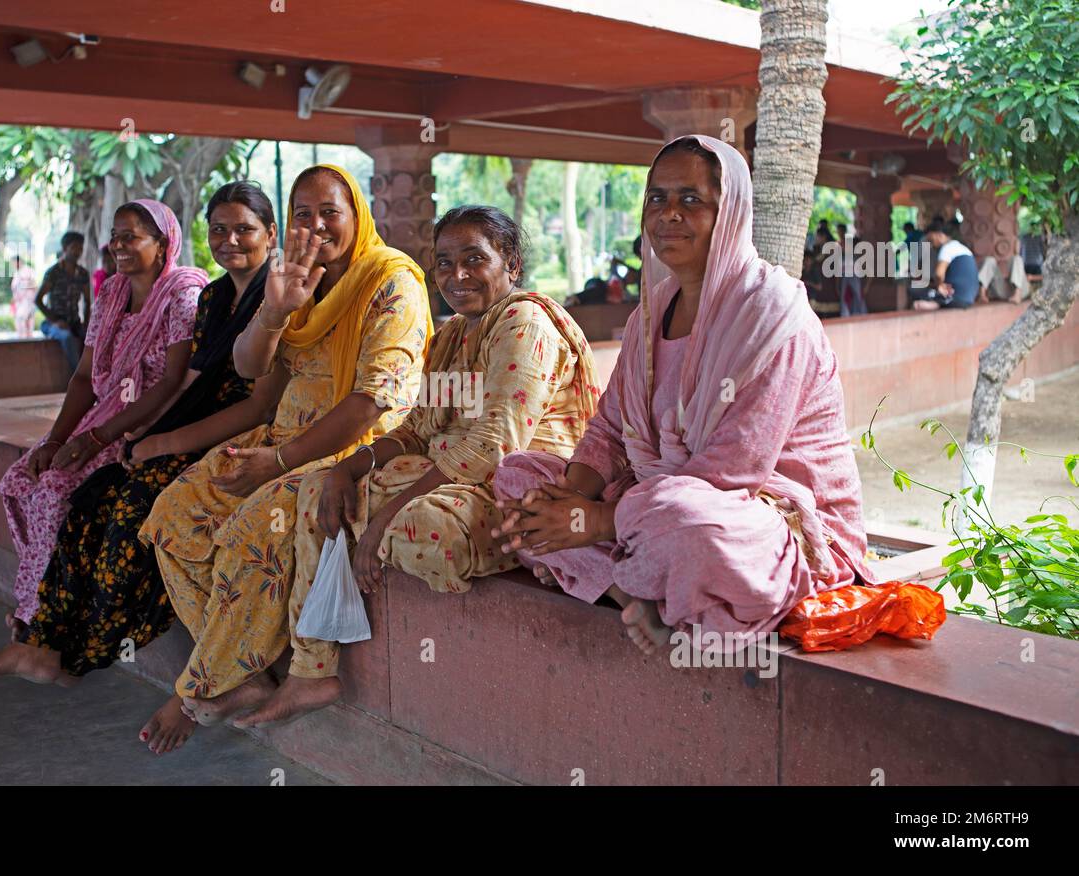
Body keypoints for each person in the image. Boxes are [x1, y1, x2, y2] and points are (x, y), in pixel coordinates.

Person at [492, 135, 873, 656]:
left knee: (686, 521)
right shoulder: (650, 314)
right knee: (517, 477)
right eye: (656, 198)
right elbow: (608, 429)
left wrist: (594, 521)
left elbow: (732, 473)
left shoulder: (773, 317)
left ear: (730, 212)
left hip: (767, 522)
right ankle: (639, 593)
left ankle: (632, 579)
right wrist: (570, 500)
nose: (669, 214)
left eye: (690, 200)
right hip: (652, 503)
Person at [236, 205, 601, 727]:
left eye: (475, 259)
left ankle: (381, 537)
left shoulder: (525, 323)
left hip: (518, 489)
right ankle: (310, 672)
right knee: (318, 489)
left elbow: (494, 447)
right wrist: (349, 467)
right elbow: (418, 431)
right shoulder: (453, 335)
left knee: (421, 529)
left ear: (512, 263)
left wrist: (382, 517)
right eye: (445, 263)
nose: (457, 276)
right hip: (449, 478)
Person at [0, 186, 275, 755]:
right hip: (183, 427)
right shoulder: (219, 297)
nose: (229, 241)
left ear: (270, 235)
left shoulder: (263, 296)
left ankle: (81, 656)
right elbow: (190, 384)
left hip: (240, 437)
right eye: (219, 230)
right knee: (89, 497)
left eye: (244, 229)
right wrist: (124, 440)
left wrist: (151, 440)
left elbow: (240, 400)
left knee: (134, 518)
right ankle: (43, 642)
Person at [139, 164, 432, 730]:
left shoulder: (392, 281)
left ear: (358, 217)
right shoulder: (298, 278)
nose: (316, 225)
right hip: (281, 440)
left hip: (353, 451)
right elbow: (255, 373)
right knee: (174, 517)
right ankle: (240, 674)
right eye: (303, 213)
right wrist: (274, 310)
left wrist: (275, 464)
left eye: (331, 213)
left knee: (254, 527)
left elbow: (371, 405)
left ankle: (197, 690)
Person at [0, 200, 205, 677]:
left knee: (56, 493)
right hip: (103, 417)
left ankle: (38, 633)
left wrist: (95, 440)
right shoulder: (111, 293)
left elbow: (173, 382)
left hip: (148, 424)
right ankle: (37, 613)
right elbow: (86, 377)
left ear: (164, 243)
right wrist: (54, 441)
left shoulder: (182, 296)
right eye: (116, 235)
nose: (119, 245)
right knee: (24, 479)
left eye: (133, 236)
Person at [37, 231, 92, 371]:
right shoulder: (53, 272)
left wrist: (86, 324)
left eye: (80, 247)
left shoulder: (83, 274)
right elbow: (37, 300)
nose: (78, 251)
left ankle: (95, 376)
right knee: (67, 338)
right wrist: (55, 320)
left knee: (92, 338)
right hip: (53, 324)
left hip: (74, 322)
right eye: (74, 247)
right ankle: (78, 376)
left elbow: (87, 301)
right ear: (64, 248)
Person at [912, 223, 978, 310]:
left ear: (940, 235)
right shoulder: (962, 248)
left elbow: (939, 274)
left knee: (913, 291)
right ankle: (938, 303)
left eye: (931, 240)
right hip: (968, 299)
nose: (931, 245)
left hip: (955, 297)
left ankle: (939, 302)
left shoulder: (947, 248)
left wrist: (939, 285)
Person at [836, 222, 867, 317]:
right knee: (845, 298)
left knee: (858, 298)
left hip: (855, 279)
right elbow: (838, 274)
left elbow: (868, 273)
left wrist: (866, 287)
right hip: (845, 280)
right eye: (843, 245)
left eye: (845, 245)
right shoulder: (841, 257)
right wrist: (837, 286)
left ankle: (861, 315)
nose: (843, 247)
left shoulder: (857, 257)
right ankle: (845, 316)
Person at [10, 254, 39, 339]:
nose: (13, 265)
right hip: (20, 302)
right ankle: (23, 340)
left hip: (28, 300)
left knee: (21, 319)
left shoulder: (28, 271)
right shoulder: (17, 272)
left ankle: (26, 340)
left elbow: (35, 285)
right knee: (23, 322)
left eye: (14, 262)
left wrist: (24, 285)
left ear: (19, 262)